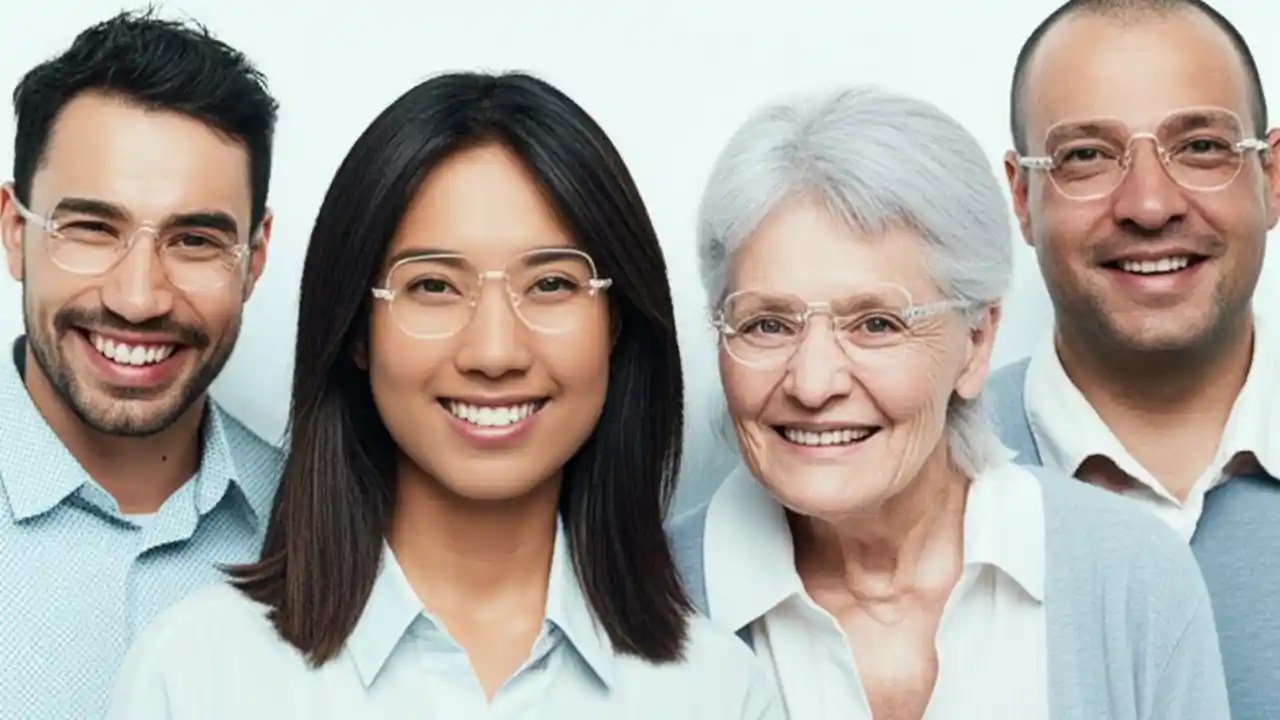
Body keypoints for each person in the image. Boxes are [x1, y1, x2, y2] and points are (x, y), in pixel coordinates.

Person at [107, 71, 779, 719]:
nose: (495, 353)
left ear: (616, 324)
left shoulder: (718, 695)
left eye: (551, 284)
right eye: (432, 285)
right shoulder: (198, 679)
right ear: (357, 331)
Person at [670, 85, 1229, 719]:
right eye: (767, 324)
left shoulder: (1130, 576)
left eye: (876, 324)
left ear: (976, 341)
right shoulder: (637, 601)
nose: (813, 384)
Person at [986, 1, 1280, 714]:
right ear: (1022, 198)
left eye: (1201, 146)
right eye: (1086, 155)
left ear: (1272, 177)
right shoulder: (916, 476)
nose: (1149, 206)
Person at [0, 10, 283, 718]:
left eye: (195, 241)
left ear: (254, 258)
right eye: (93, 229)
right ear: (13, 232)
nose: (137, 299)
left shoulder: (325, 527)